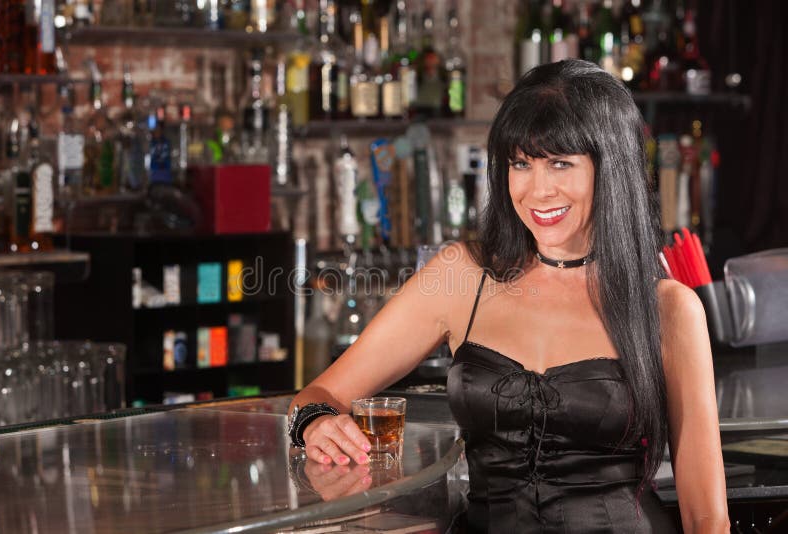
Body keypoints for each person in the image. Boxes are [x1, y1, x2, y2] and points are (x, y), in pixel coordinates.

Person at [288, 59, 729, 532]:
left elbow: (707, 515)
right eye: (522, 164)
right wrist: (315, 423)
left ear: (611, 168)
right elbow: (318, 395)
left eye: (560, 163)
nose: (537, 190)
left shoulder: (668, 308)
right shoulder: (461, 276)